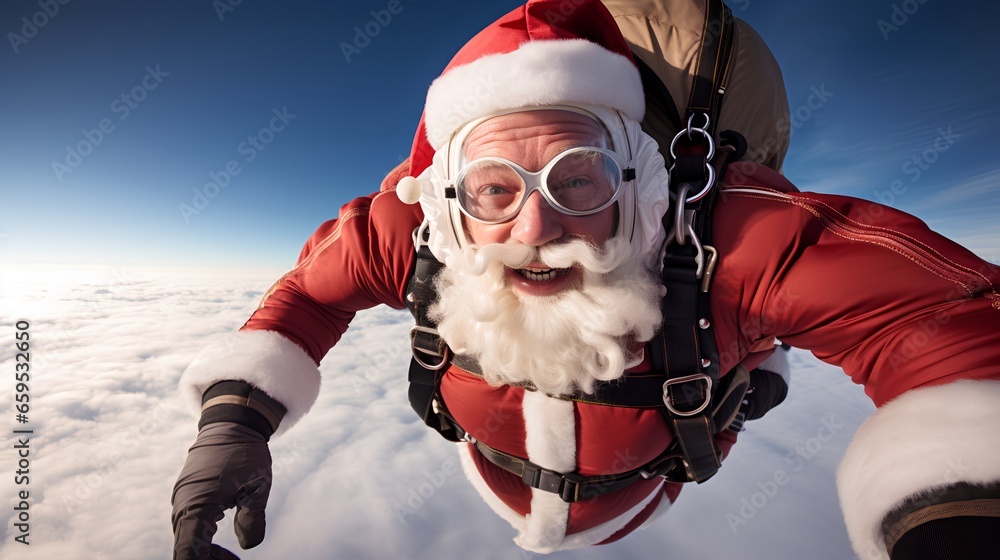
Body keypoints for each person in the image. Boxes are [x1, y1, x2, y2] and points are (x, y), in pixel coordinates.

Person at [171, 1, 1000, 559]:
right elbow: (310, 294)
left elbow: (942, 323)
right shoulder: (412, 234)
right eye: (494, 188)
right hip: (495, 470)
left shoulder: (735, 242)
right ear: (447, 197)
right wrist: (235, 418)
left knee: (732, 332)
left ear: (638, 179)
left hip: (655, 486)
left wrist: (960, 506)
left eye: (579, 178)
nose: (536, 231)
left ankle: (752, 356)